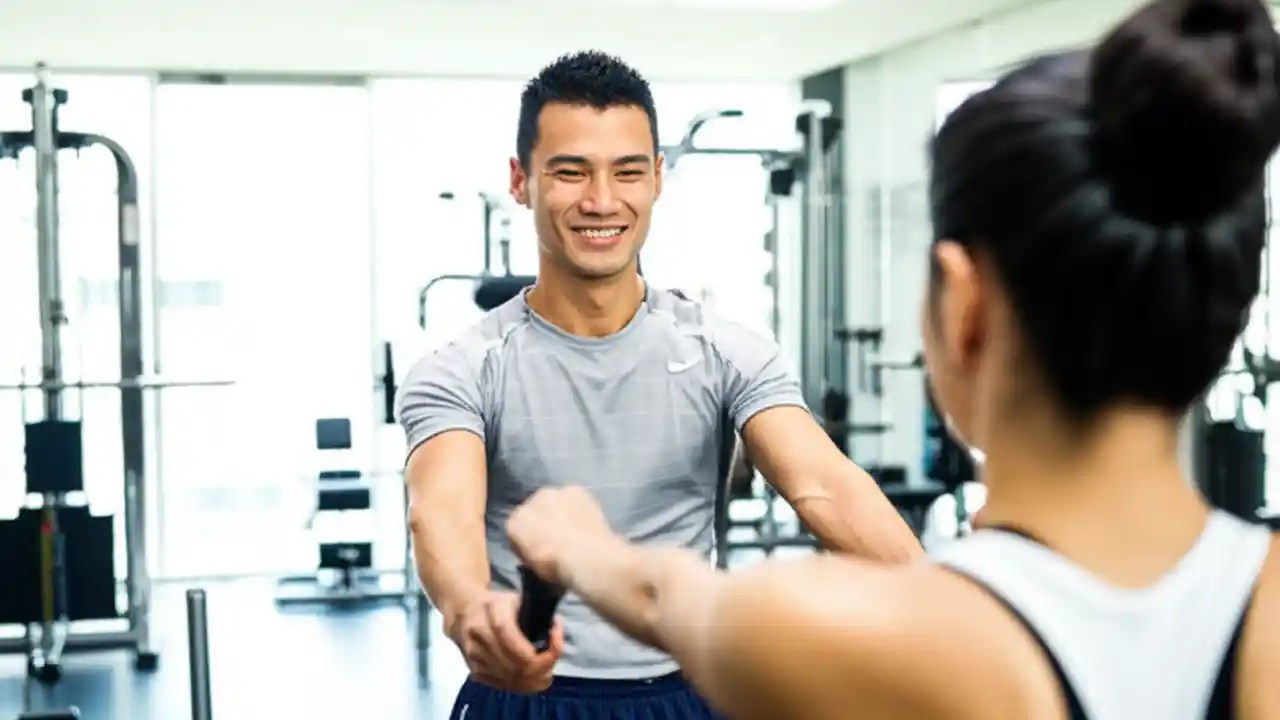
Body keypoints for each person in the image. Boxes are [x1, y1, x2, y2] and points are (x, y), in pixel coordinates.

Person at [504, 0, 1280, 717]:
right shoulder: (1265, 607)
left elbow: (667, 600)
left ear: (963, 304)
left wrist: (575, 541)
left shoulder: (866, 636)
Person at [395, 50, 924, 719]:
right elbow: (440, 510)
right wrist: (474, 612)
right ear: (521, 180)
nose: (601, 201)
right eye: (570, 172)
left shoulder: (725, 350)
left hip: (689, 689)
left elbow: (825, 486)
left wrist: (952, 613)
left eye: (627, 172)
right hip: (526, 694)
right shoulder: (462, 367)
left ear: (657, 180)